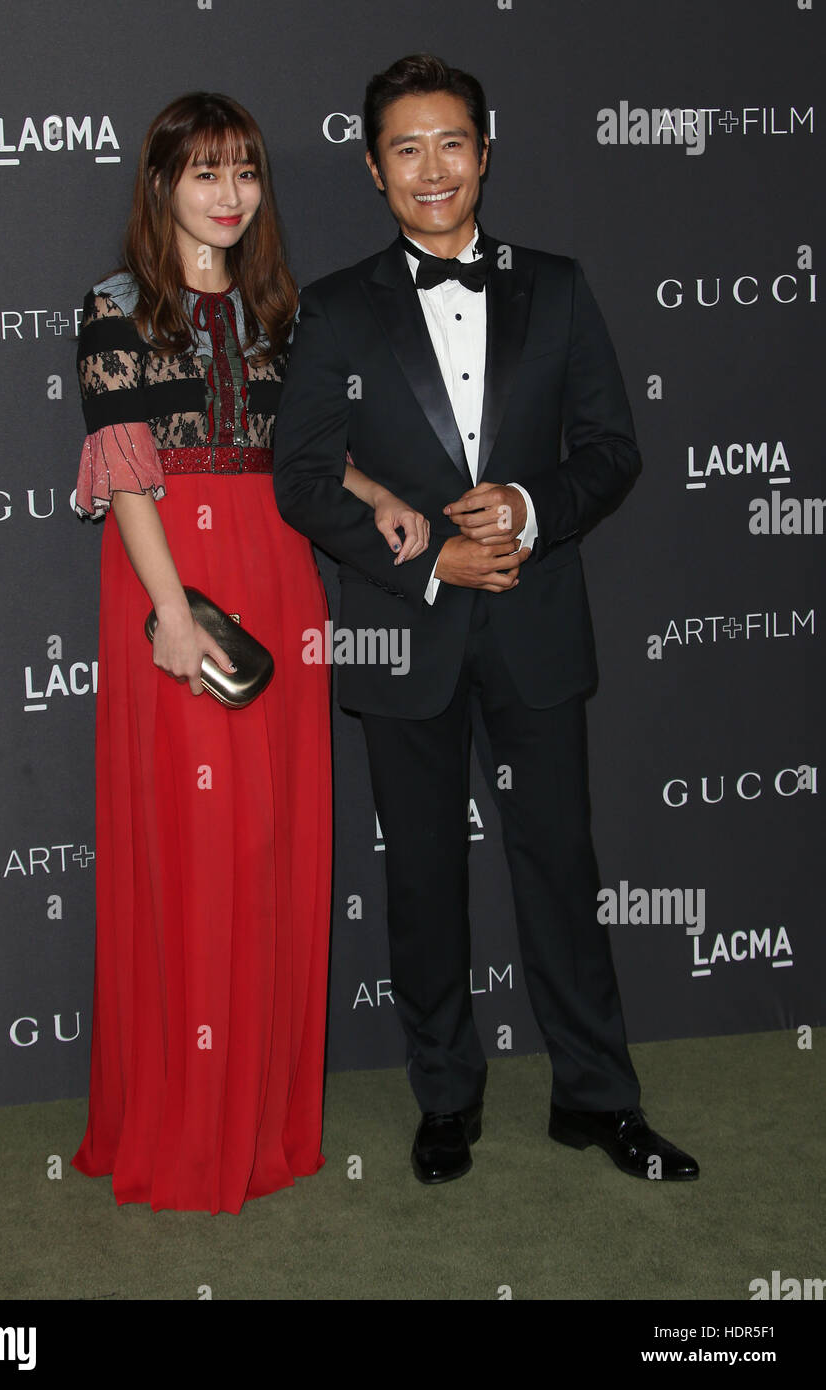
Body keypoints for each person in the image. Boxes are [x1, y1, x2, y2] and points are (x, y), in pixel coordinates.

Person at [274, 55, 699, 1185]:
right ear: (372, 168)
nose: (431, 169)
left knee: (558, 866)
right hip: (402, 635)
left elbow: (611, 451)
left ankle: (596, 1099)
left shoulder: (554, 287)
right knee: (421, 880)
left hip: (534, 625)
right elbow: (304, 479)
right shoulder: (331, 307)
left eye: (451, 143)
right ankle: (444, 1100)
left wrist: (522, 506)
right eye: (405, 148)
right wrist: (431, 564)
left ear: (484, 150)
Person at [70, 92, 428, 1214]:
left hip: (276, 579)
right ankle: (181, 1121)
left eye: (245, 173)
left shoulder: (282, 312)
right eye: (203, 173)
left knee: (269, 841)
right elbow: (127, 471)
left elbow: (297, 453)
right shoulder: (115, 307)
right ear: (162, 185)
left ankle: (262, 1119)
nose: (228, 196)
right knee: (189, 843)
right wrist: (172, 614)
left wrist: (376, 497)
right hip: (172, 581)